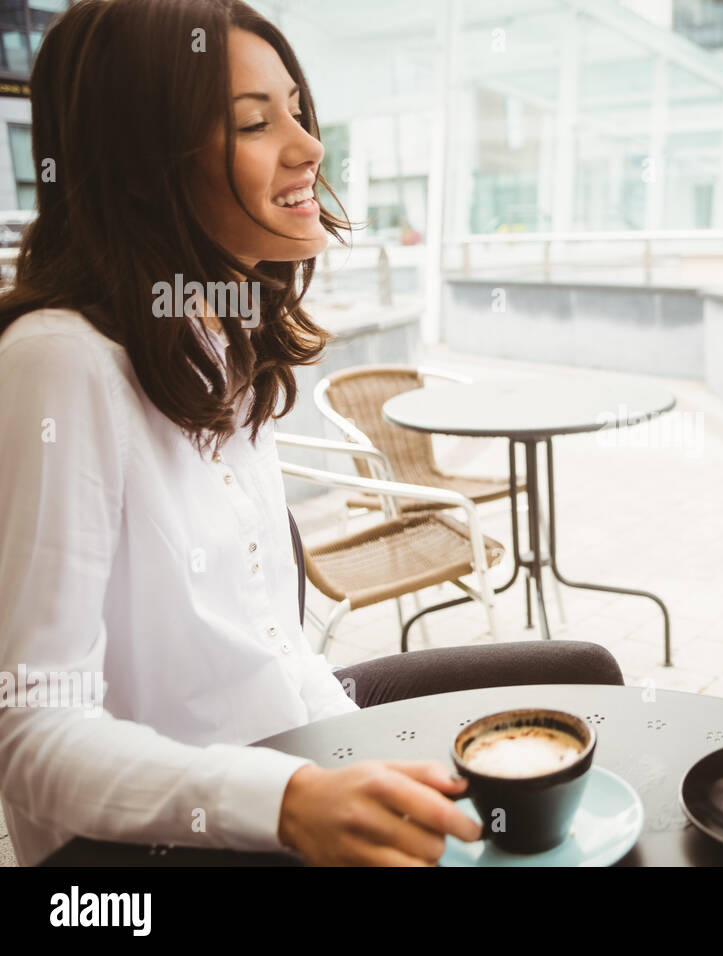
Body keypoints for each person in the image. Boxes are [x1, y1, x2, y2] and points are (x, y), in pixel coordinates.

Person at [0, 0, 621, 868]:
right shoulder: (59, 363)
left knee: (583, 675)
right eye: (255, 123)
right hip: (162, 845)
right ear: (141, 169)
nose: (307, 146)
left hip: (298, 737)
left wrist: (349, 757)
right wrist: (291, 801)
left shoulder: (217, 333)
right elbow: (31, 736)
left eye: (297, 108)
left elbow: (276, 647)